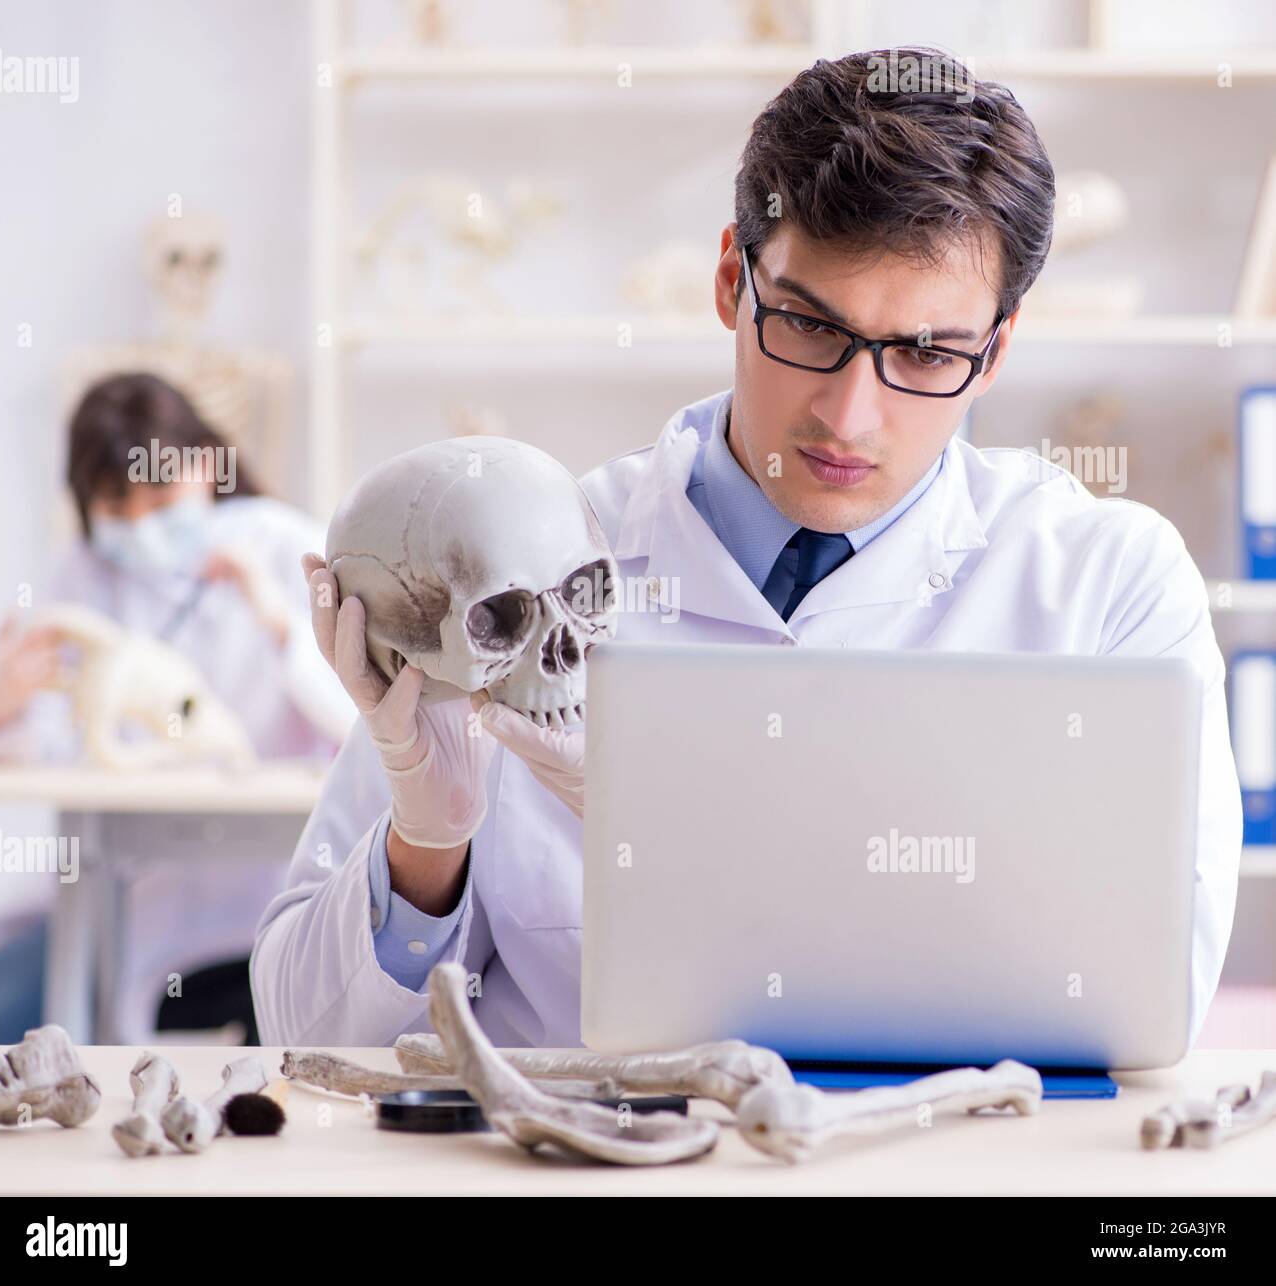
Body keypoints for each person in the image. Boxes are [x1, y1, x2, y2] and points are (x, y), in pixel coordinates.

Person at [251, 49, 1241, 1050]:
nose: (850, 415)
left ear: (995, 352)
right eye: (811, 327)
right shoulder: (522, 565)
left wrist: (658, 811)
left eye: (926, 353)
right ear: (732, 278)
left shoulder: (1107, 586)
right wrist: (427, 843)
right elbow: (301, 1027)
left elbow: (1150, 1009)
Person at [0, 372, 353, 1043]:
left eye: (161, 494)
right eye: (118, 506)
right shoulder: (82, 575)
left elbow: (362, 722)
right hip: (135, 897)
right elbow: (57, 745)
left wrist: (278, 621)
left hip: (276, 890)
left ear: (206, 466)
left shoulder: (286, 546)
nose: (143, 523)